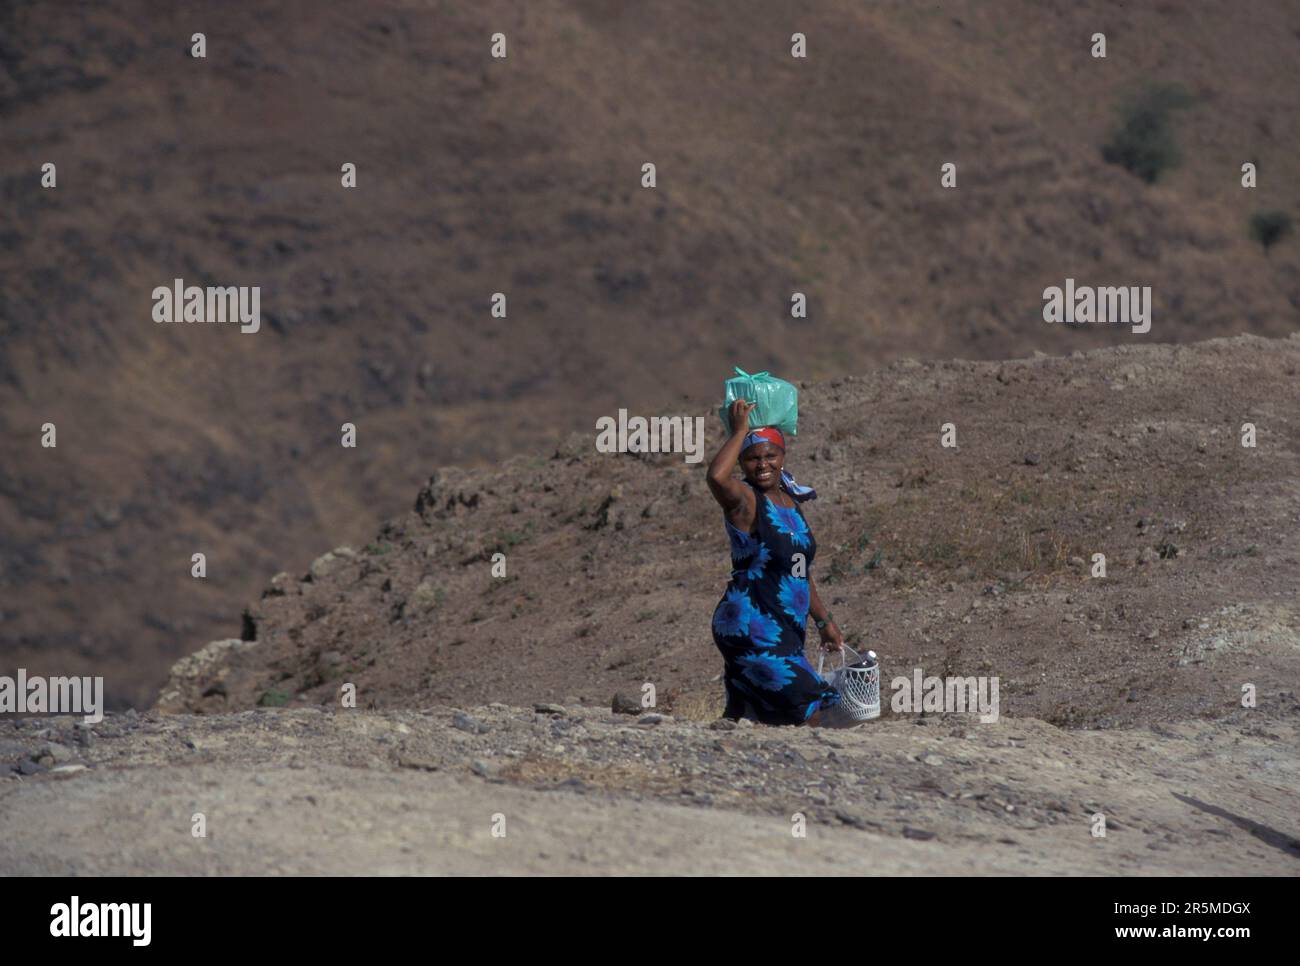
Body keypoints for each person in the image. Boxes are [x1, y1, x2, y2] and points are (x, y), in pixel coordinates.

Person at [706, 398, 844, 726]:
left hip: (785, 626)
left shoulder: (789, 501)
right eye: (753, 458)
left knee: (748, 717)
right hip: (752, 623)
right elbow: (716, 478)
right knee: (808, 704)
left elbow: (798, 570)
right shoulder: (744, 499)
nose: (763, 464)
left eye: (770, 455)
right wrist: (740, 430)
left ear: (783, 457)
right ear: (741, 461)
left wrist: (823, 622)